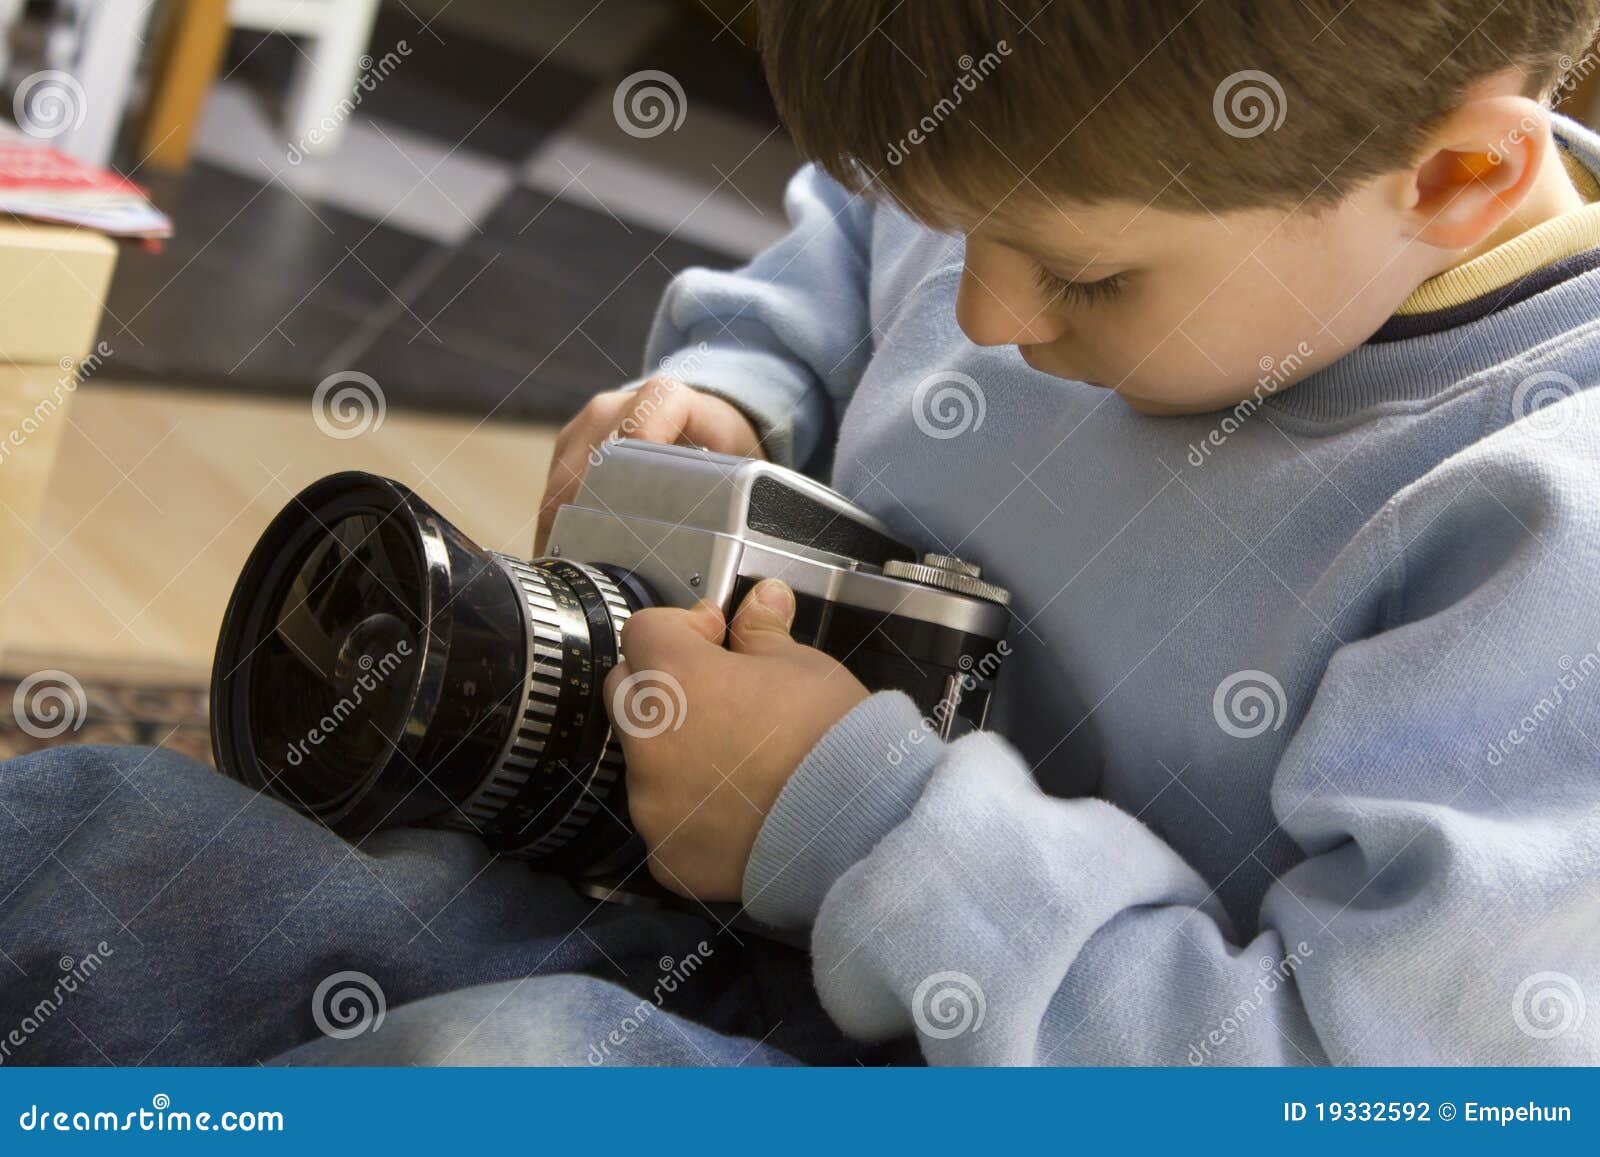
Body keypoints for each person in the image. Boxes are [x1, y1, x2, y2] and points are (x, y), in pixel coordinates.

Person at [537, 0, 1600, 1064]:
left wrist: (856, 826)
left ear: (1455, 178)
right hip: (710, 892)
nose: (984, 321)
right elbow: (868, 224)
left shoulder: (1548, 539)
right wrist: (754, 383)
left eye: (1084, 277)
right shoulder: (1058, 140)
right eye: (958, 230)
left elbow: (1349, 1085)